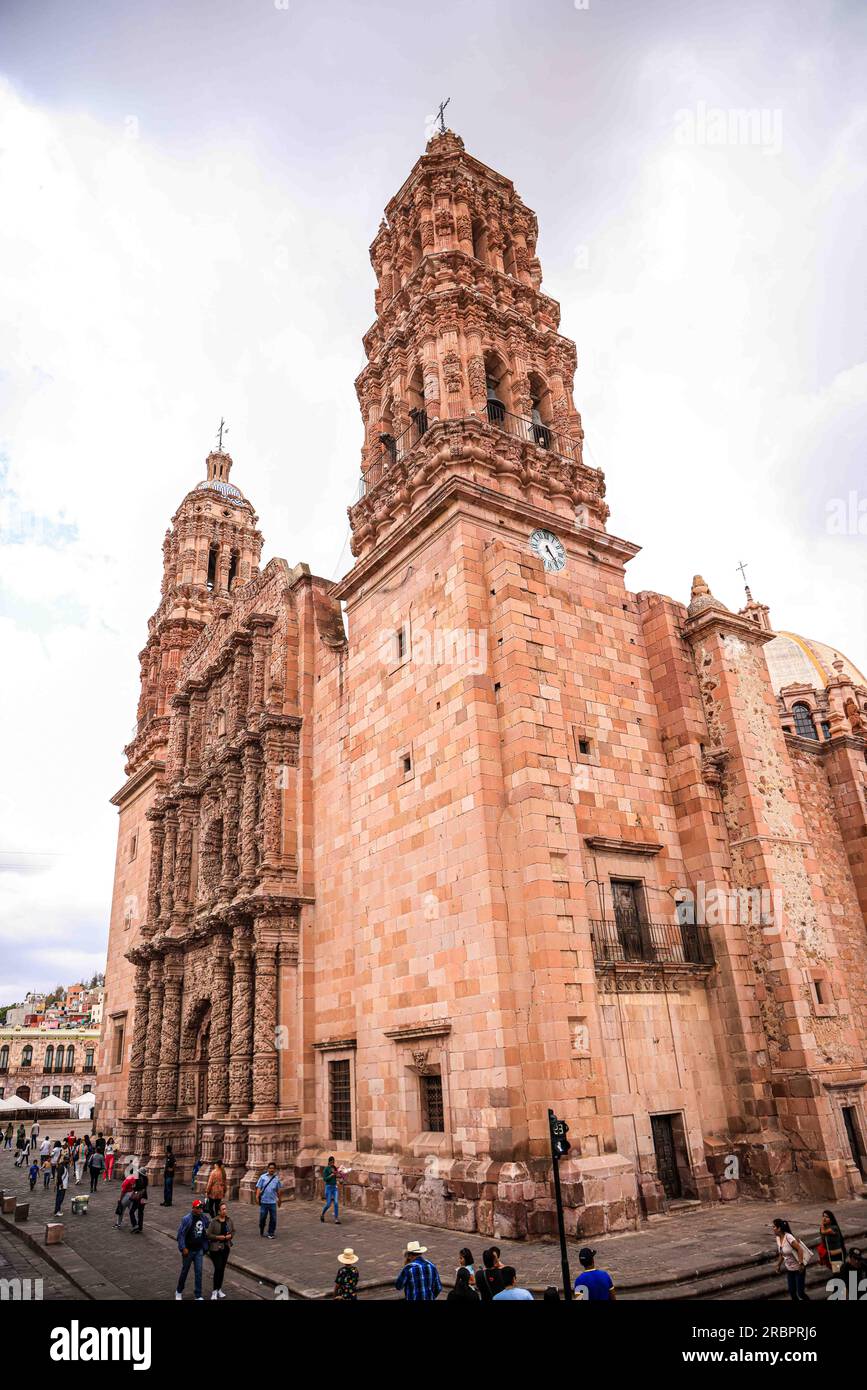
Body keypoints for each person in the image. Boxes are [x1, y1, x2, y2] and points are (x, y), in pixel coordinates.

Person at [175, 1199, 210, 1302]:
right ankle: (179, 1291)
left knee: (199, 1272)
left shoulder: (203, 1217)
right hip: (188, 1250)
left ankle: (198, 1295)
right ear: (193, 1208)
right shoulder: (186, 1219)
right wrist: (183, 1247)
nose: (200, 1210)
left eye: (201, 1208)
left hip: (199, 1249)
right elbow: (180, 1235)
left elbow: (209, 1225)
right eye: (198, 1208)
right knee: (185, 1271)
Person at [773, 1218, 811, 1300]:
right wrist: (778, 1265)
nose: (773, 1228)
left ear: (779, 1228)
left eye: (774, 1227)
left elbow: (800, 1249)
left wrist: (801, 1264)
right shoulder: (778, 1238)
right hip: (790, 1269)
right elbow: (782, 1253)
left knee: (800, 1293)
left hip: (799, 1269)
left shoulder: (789, 1237)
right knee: (792, 1292)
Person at [207, 1199, 234, 1300]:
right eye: (222, 1209)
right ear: (218, 1211)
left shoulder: (229, 1220)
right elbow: (208, 1235)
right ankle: (214, 1291)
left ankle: (219, 1289)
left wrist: (230, 1236)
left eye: (225, 1209)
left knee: (222, 1269)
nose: (224, 1211)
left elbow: (233, 1230)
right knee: (218, 1268)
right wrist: (218, 1237)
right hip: (215, 1249)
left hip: (225, 1247)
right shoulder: (214, 1221)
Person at [255, 1163, 283, 1239]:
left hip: (272, 1202)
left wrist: (280, 1200)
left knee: (273, 1218)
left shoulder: (276, 1179)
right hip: (264, 1201)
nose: (271, 1169)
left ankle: (271, 1233)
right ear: (268, 1169)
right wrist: (257, 1197)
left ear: (275, 1169)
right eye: (270, 1168)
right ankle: (262, 1228)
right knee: (262, 1218)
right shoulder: (263, 1177)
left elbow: (278, 1190)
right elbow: (259, 1187)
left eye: (273, 1168)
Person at [320, 1155, 341, 1224]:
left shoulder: (334, 1168)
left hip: (334, 1187)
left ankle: (336, 1218)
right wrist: (330, 1175)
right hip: (328, 1187)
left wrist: (340, 1176)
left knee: (336, 1202)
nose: (332, 1164)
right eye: (331, 1162)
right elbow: (325, 1179)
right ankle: (322, 1214)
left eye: (333, 1162)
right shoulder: (326, 1169)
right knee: (328, 1204)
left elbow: (337, 1176)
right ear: (329, 1162)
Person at [129, 1167, 149, 1233]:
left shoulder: (137, 1178)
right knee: (140, 1212)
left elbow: (130, 1171)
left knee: (132, 1211)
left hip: (138, 1196)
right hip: (144, 1196)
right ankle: (140, 1227)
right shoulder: (146, 1178)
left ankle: (135, 1225)